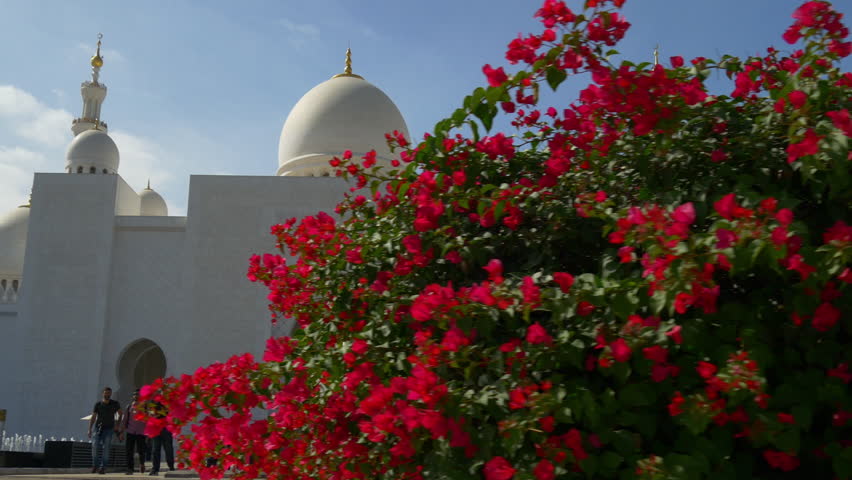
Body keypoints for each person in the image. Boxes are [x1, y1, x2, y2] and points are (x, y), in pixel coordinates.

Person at [88, 387, 123, 474]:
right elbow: (93, 417)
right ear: (103, 393)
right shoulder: (98, 404)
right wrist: (89, 429)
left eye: (109, 393)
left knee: (106, 448)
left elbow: (120, 414)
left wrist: (117, 425)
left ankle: (103, 467)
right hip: (98, 428)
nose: (107, 394)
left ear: (111, 394)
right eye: (106, 393)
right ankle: (95, 465)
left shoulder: (115, 404)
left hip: (109, 429)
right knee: (95, 446)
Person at [121, 389, 147, 474]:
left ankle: (142, 464)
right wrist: (121, 432)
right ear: (132, 396)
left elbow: (147, 419)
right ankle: (130, 469)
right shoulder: (129, 407)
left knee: (141, 450)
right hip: (130, 431)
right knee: (129, 451)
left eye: (138, 394)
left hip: (141, 432)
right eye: (134, 395)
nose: (136, 396)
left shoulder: (144, 406)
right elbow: (124, 420)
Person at [148, 402, 174, 475]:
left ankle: (171, 467)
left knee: (168, 448)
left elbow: (171, 412)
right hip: (156, 427)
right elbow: (151, 413)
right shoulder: (153, 402)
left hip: (166, 427)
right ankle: (155, 469)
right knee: (155, 449)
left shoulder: (167, 401)